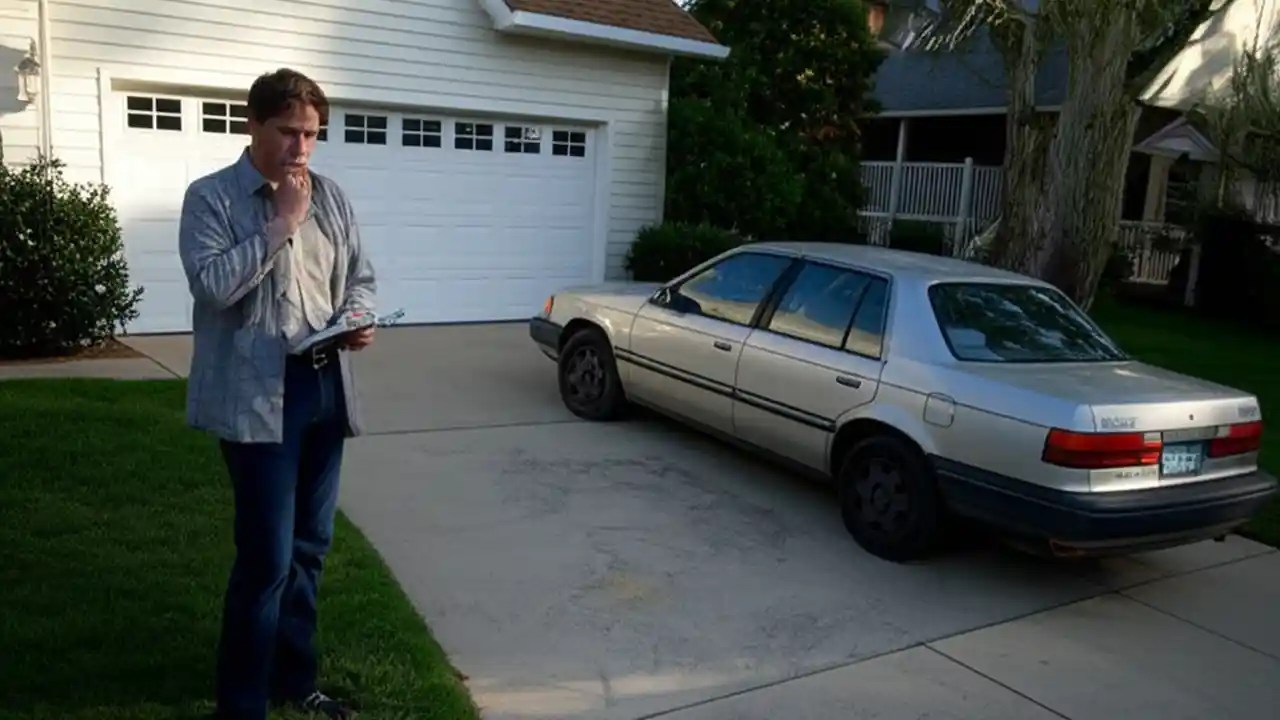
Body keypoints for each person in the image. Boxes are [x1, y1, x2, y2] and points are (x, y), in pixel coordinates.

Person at [178, 67, 376, 720]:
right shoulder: (211, 198)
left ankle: (296, 680)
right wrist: (282, 223)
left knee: (311, 549)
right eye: (288, 132)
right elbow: (212, 287)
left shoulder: (335, 198)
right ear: (253, 124)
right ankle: (241, 705)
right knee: (266, 557)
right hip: (256, 399)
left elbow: (361, 276)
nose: (301, 149)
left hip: (323, 385)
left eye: (312, 135)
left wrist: (358, 317)